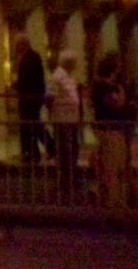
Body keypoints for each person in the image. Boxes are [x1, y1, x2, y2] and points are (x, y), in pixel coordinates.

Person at [90, 51, 133, 209]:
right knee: (112, 167)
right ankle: (113, 202)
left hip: (108, 128)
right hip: (110, 129)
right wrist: (121, 93)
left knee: (109, 165)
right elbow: (117, 104)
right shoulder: (104, 87)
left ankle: (106, 198)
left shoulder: (103, 85)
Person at [46, 50, 82, 202]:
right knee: (65, 151)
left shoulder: (68, 76)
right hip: (63, 120)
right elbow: (49, 98)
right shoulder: (57, 77)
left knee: (73, 149)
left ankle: (71, 178)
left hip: (71, 119)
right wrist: (56, 112)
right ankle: (65, 181)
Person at [12, 34, 50, 165]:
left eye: (17, 46)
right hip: (31, 98)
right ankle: (33, 153)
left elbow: (30, 80)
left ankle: (45, 149)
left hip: (30, 98)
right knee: (32, 126)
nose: (15, 49)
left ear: (23, 45)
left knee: (32, 125)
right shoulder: (29, 57)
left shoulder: (30, 58)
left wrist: (18, 86)